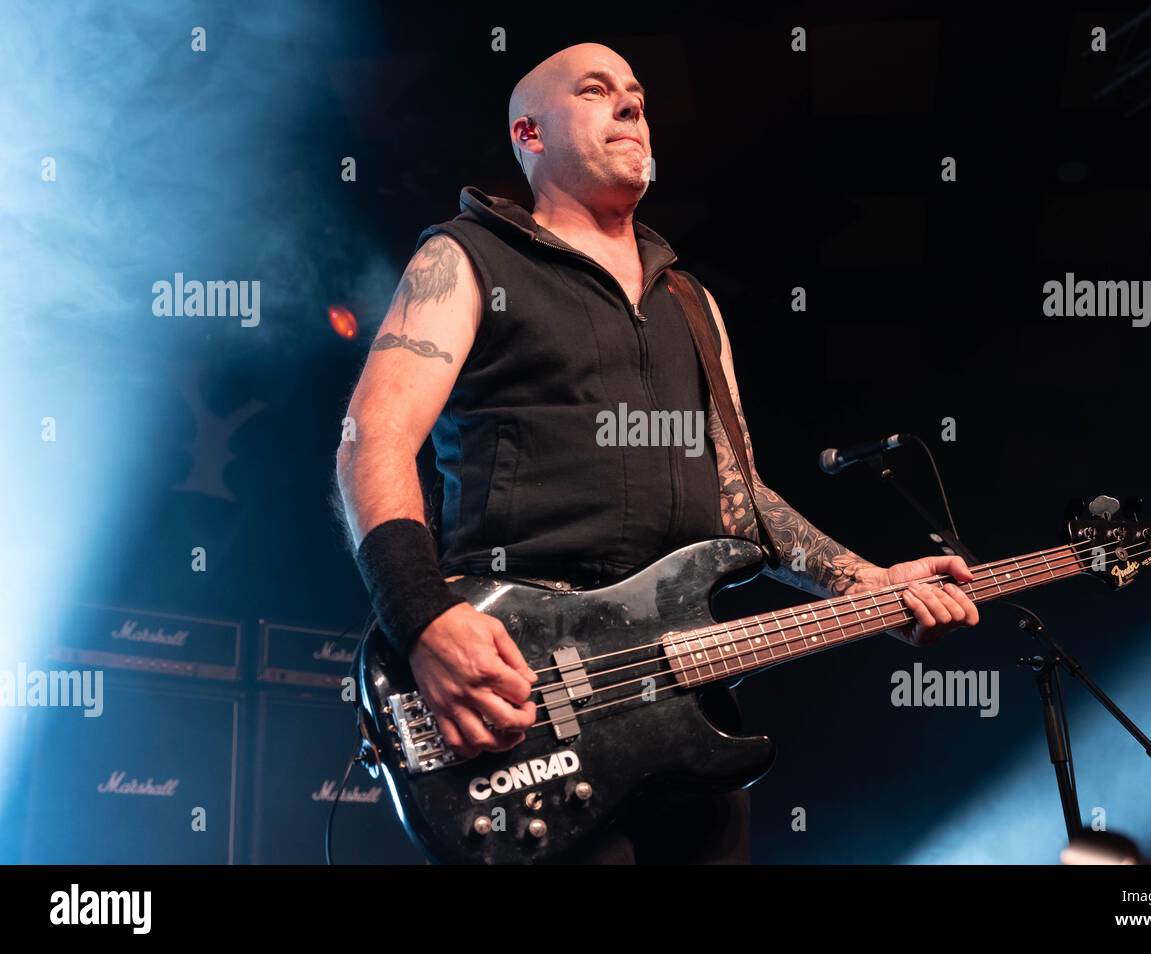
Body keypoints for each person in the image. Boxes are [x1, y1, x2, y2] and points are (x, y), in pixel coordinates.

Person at [335, 42, 979, 863]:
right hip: (526, 687)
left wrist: (868, 583)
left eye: (637, 92)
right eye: (598, 91)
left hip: (686, 704)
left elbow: (739, 495)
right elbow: (374, 439)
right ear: (528, 135)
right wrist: (422, 617)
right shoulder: (466, 256)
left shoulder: (689, 299)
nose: (633, 106)